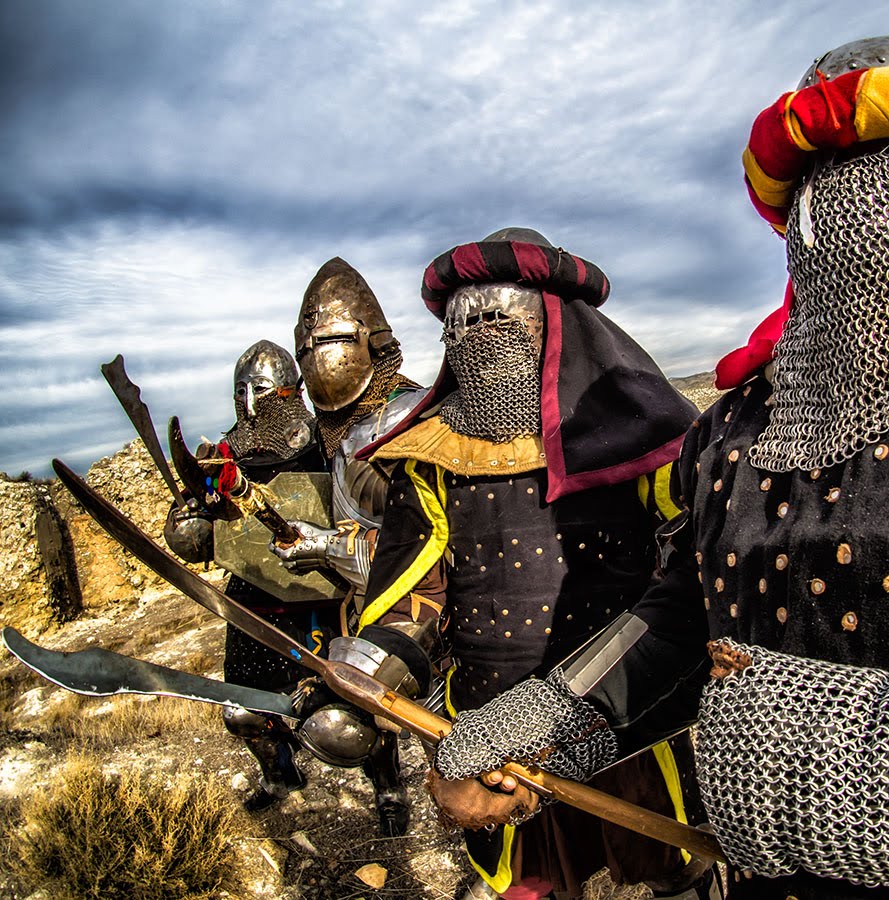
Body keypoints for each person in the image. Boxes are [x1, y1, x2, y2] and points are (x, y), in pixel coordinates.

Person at [420, 37, 889, 898]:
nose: (875, 206)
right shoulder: (744, 423)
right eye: (838, 179)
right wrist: (557, 717)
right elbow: (692, 612)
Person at [355, 227, 712, 899]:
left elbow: (691, 559)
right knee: (531, 880)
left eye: (497, 322)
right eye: (462, 328)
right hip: (489, 713)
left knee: (670, 860)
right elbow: (415, 587)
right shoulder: (432, 454)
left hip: (623, 693)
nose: (479, 341)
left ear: (554, 328)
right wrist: (381, 662)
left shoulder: (636, 435)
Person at [269, 256, 437, 837]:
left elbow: (421, 549)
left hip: (430, 611)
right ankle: (394, 790)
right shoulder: (331, 436)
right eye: (308, 346)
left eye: (335, 341)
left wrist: (325, 547)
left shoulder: (413, 419)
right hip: (361, 604)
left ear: (374, 342)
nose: (322, 359)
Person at [164, 339, 334, 813]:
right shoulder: (223, 453)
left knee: (346, 711)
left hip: (317, 591)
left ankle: (387, 786)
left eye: (256, 390)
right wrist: (191, 522)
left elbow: (351, 506)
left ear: (286, 392)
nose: (248, 401)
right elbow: (202, 530)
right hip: (249, 594)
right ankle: (280, 775)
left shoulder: (322, 441)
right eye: (241, 391)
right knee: (242, 710)